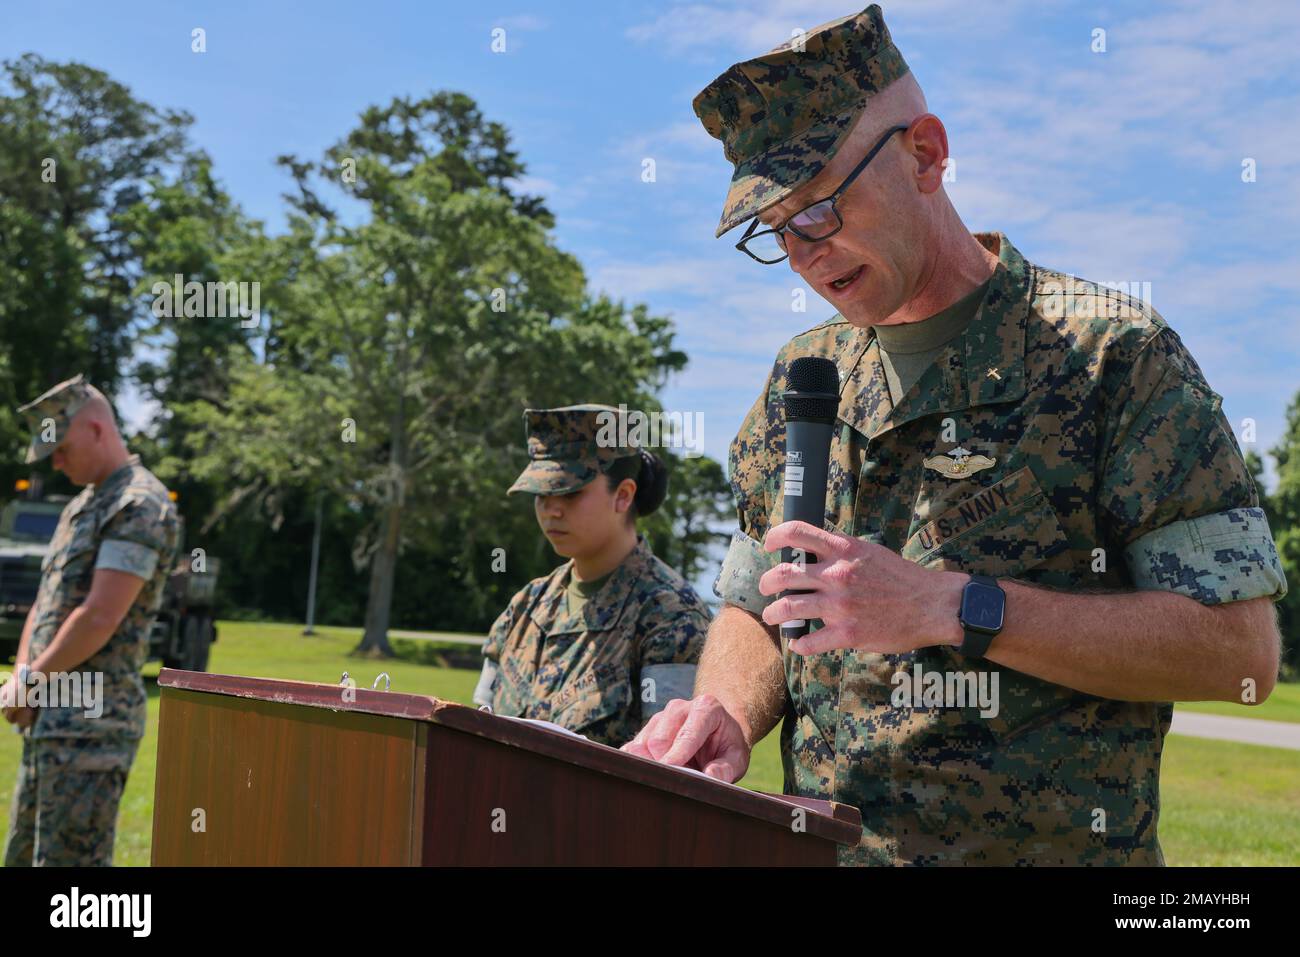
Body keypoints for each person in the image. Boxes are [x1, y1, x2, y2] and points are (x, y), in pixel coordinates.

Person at [624, 4, 1287, 865]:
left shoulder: (1110, 355)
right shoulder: (804, 377)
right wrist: (727, 710)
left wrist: (953, 606)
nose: (803, 253)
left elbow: (1241, 653)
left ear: (927, 155)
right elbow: (758, 605)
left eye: (821, 206)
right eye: (776, 227)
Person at [1, 375, 179, 866]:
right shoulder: (81, 506)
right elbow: (47, 598)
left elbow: (100, 615)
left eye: (61, 449)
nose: (56, 463)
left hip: (93, 728)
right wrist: (22, 675)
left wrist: (34, 680)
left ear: (98, 428)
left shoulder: (139, 504)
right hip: (50, 721)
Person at [474, 404, 711, 748]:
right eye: (542, 494)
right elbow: (475, 731)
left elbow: (672, 770)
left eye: (569, 492)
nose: (552, 509)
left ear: (623, 496)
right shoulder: (526, 607)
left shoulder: (672, 616)